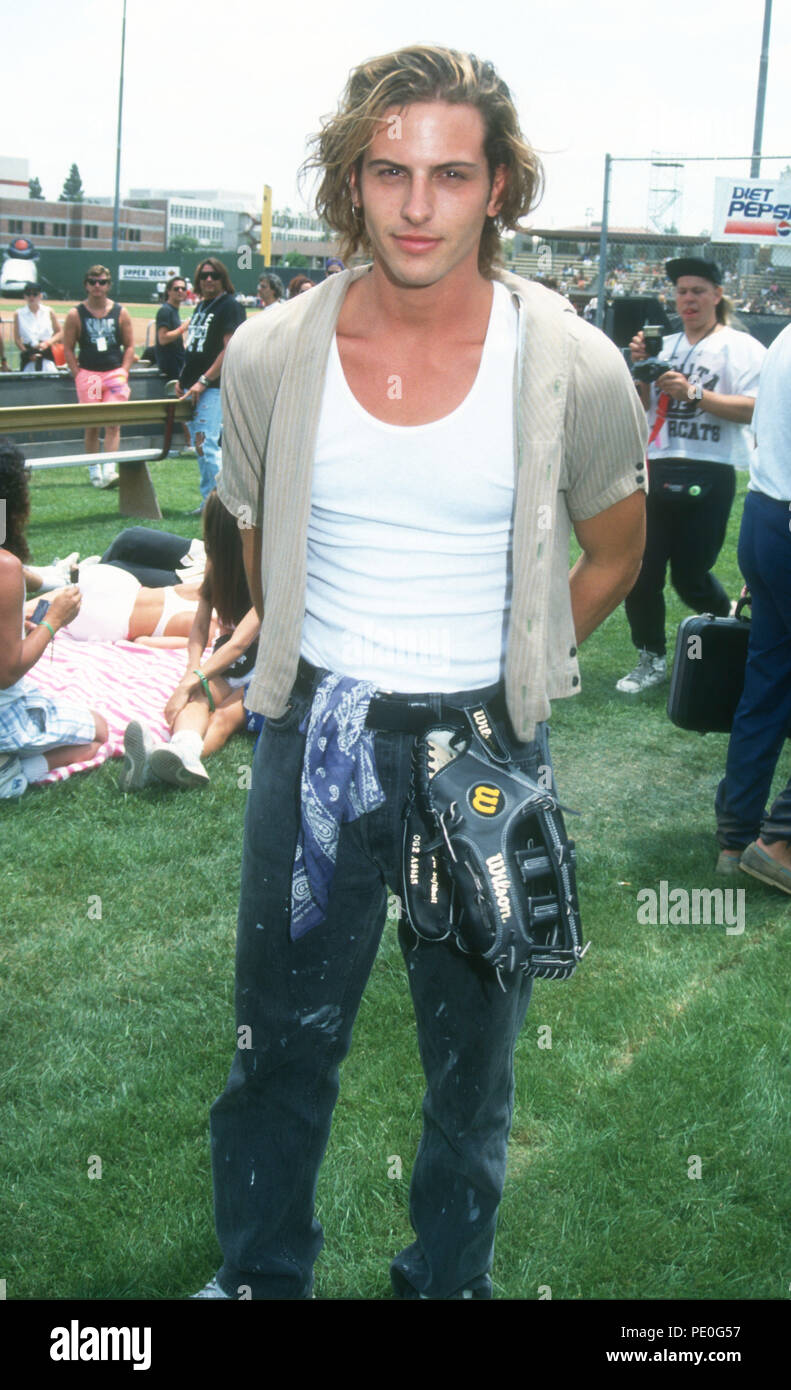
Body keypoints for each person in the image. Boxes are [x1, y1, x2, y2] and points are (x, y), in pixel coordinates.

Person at [195, 43, 647, 1302]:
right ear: (349, 181)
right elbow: (244, 540)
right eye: (386, 171)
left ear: (497, 184)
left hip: (485, 754)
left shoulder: (572, 361)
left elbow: (615, 547)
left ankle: (445, 1284)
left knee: (472, 1074)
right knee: (276, 1049)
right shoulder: (271, 354)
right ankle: (257, 1276)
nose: (413, 206)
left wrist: (515, 673)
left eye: (449, 174)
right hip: (319, 738)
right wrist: (262, 661)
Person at [617, 257, 766, 693]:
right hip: (658, 464)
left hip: (711, 469)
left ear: (717, 295)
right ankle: (651, 658)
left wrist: (695, 393)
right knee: (641, 573)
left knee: (690, 576)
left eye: (697, 291)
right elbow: (640, 405)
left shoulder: (742, 347)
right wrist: (641, 368)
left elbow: (757, 406)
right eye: (681, 291)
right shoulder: (667, 344)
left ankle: (719, 637)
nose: (688, 299)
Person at [715, 324, 791, 890]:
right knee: (767, 684)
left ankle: (736, 836)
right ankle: (779, 838)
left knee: (766, 686)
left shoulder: (786, 334)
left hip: (766, 513)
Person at [119, 492, 260, 791]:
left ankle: (160, 767)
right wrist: (193, 672)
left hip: (264, 668)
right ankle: (179, 752)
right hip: (232, 661)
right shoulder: (217, 566)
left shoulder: (267, 574)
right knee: (197, 698)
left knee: (223, 718)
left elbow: (241, 641)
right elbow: (199, 626)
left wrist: (190, 680)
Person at [0, 438, 108, 800]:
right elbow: (7, 672)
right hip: (4, 718)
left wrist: (15, 627)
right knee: (99, 733)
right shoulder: (5, 567)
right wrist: (54, 621)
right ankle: (11, 774)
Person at [178, 257, 246, 515]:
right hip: (193, 385)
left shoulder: (230, 306)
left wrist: (204, 380)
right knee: (200, 445)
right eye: (204, 275)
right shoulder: (203, 305)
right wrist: (183, 379)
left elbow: (230, 348)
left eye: (214, 275)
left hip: (213, 386)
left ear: (223, 279)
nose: (208, 280)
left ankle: (221, 506)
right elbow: (195, 347)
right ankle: (209, 500)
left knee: (207, 444)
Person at [61, 266, 135, 490]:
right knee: (92, 424)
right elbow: (67, 348)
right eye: (93, 281)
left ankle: (109, 469)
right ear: (86, 284)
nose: (97, 286)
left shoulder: (120, 312)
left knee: (113, 422)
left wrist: (124, 370)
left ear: (108, 285)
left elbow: (130, 346)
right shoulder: (76, 314)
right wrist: (78, 374)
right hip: (90, 375)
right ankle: (94, 469)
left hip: (113, 374)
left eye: (102, 282)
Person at [25, 564, 204, 646]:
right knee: (40, 617)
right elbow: (143, 642)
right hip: (109, 620)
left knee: (63, 595)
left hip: (116, 581)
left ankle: (35, 593)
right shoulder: (211, 633)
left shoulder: (207, 589)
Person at [14, 284, 61, 373]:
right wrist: (27, 353)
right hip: (29, 355)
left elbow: (59, 333)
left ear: (40, 296)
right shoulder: (18, 314)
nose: (31, 297)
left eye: (35, 294)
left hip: (46, 354)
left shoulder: (49, 311)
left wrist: (48, 343)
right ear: (24, 296)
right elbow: (17, 339)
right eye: (28, 294)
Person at [154, 275, 189, 381]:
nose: (180, 291)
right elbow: (163, 339)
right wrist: (183, 328)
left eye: (183, 289)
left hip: (177, 361)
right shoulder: (165, 311)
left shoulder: (173, 310)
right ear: (169, 291)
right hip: (170, 365)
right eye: (176, 288)